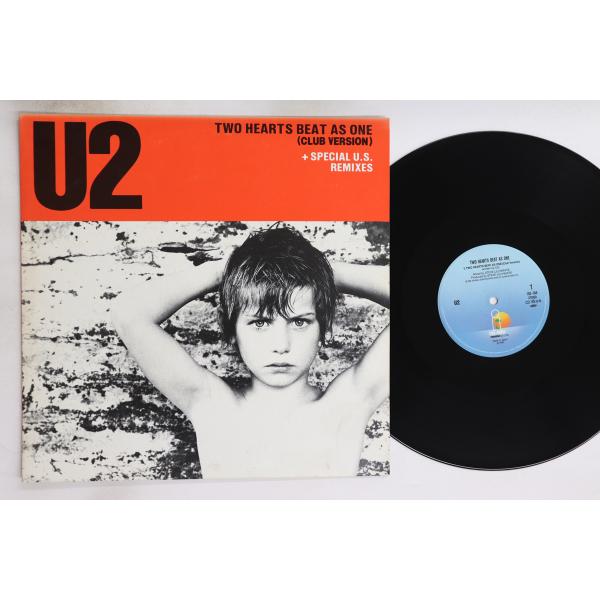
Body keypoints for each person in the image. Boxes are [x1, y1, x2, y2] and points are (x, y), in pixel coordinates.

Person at [111, 225, 389, 478]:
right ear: (233, 331)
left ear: (323, 328)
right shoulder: (214, 407)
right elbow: (128, 315)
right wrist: (223, 270)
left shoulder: (346, 405)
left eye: (299, 322)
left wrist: (322, 272)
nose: (281, 345)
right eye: (260, 323)